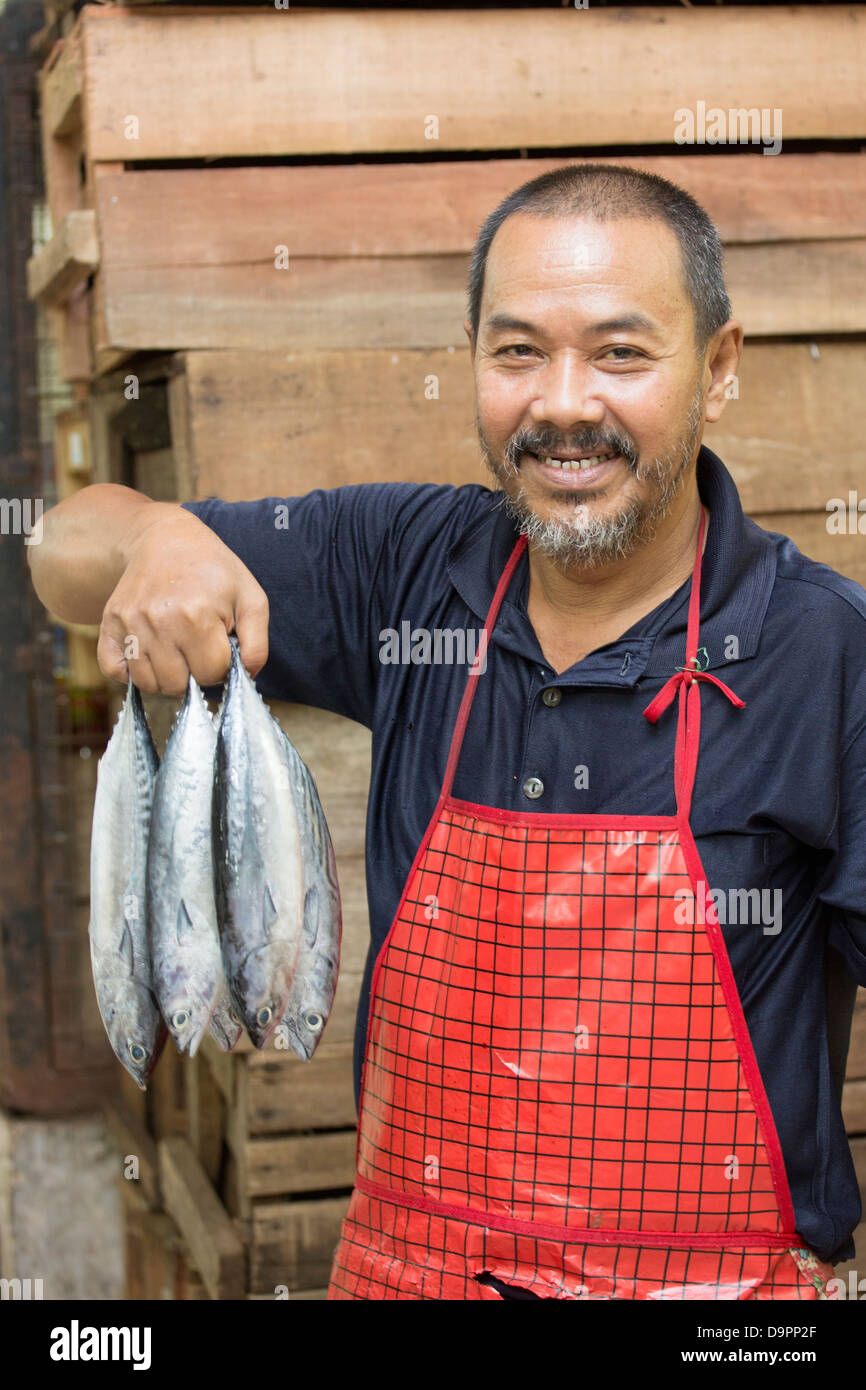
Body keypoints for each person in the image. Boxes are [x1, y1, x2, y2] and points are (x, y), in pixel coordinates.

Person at [29, 164, 865, 1301]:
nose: (562, 403)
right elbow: (57, 548)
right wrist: (160, 538)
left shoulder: (820, 652)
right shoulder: (406, 570)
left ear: (716, 368)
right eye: (516, 351)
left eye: (619, 353)